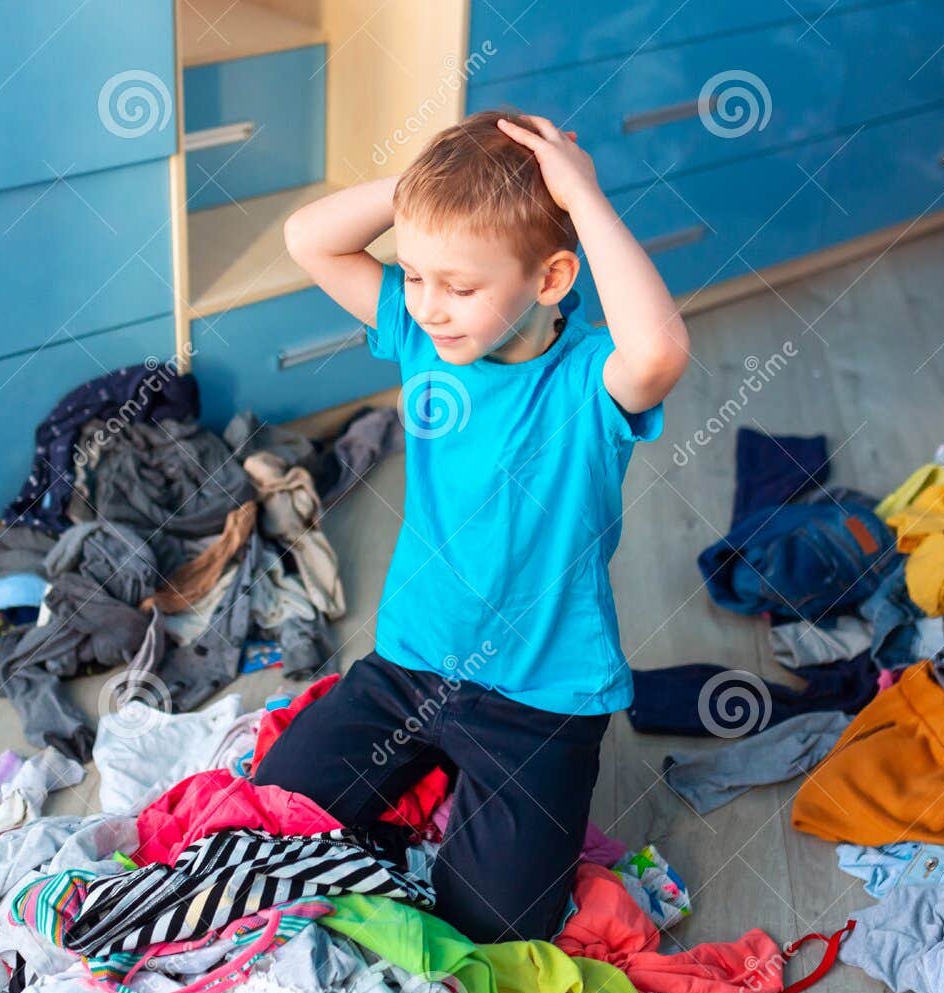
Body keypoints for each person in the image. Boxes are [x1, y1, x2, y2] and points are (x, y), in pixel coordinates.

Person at [252, 109, 689, 943]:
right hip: (411, 666)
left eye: (459, 284)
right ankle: (435, 782)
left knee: (490, 926)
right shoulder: (424, 336)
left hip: (540, 700)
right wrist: (428, 198)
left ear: (553, 277)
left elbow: (662, 352)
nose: (430, 305)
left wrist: (580, 195)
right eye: (414, 276)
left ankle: (463, 797)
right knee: (276, 813)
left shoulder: (592, 381)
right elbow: (310, 236)